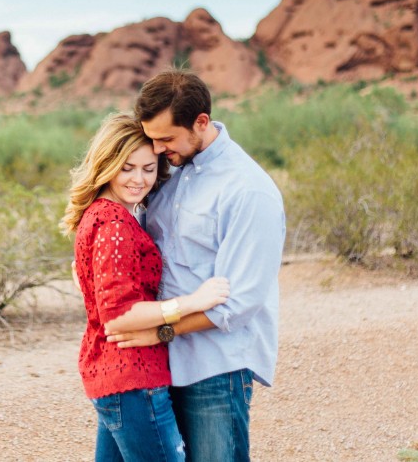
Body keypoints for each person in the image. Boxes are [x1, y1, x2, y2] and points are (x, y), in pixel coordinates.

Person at [106, 71, 286, 462]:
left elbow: (239, 302)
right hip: (157, 365)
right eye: (151, 137)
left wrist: (161, 332)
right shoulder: (167, 173)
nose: (156, 148)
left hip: (215, 367)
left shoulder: (248, 191)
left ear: (201, 122)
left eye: (166, 138)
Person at [64, 113, 231, 462]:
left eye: (148, 168)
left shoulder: (104, 215)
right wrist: (192, 302)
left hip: (117, 377)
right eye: (127, 168)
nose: (139, 179)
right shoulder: (113, 223)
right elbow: (119, 314)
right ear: (107, 164)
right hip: (132, 378)